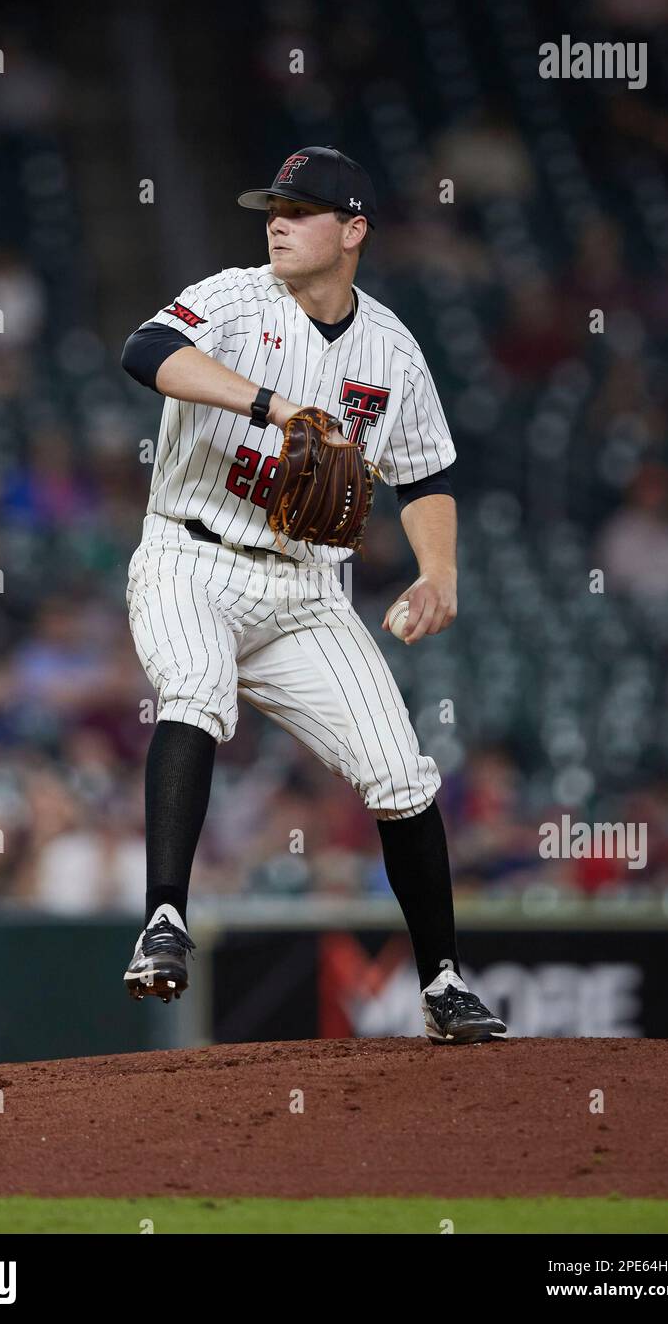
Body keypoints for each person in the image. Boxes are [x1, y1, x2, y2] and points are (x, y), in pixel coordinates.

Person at [119, 147, 506, 1044]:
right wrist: (269, 405)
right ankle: (165, 921)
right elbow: (146, 351)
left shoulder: (392, 350)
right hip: (192, 558)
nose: (279, 222)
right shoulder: (235, 299)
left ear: (354, 229)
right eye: (273, 208)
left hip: (306, 588)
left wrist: (439, 572)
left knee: (401, 774)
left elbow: (428, 475)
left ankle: (444, 983)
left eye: (300, 209)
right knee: (195, 695)